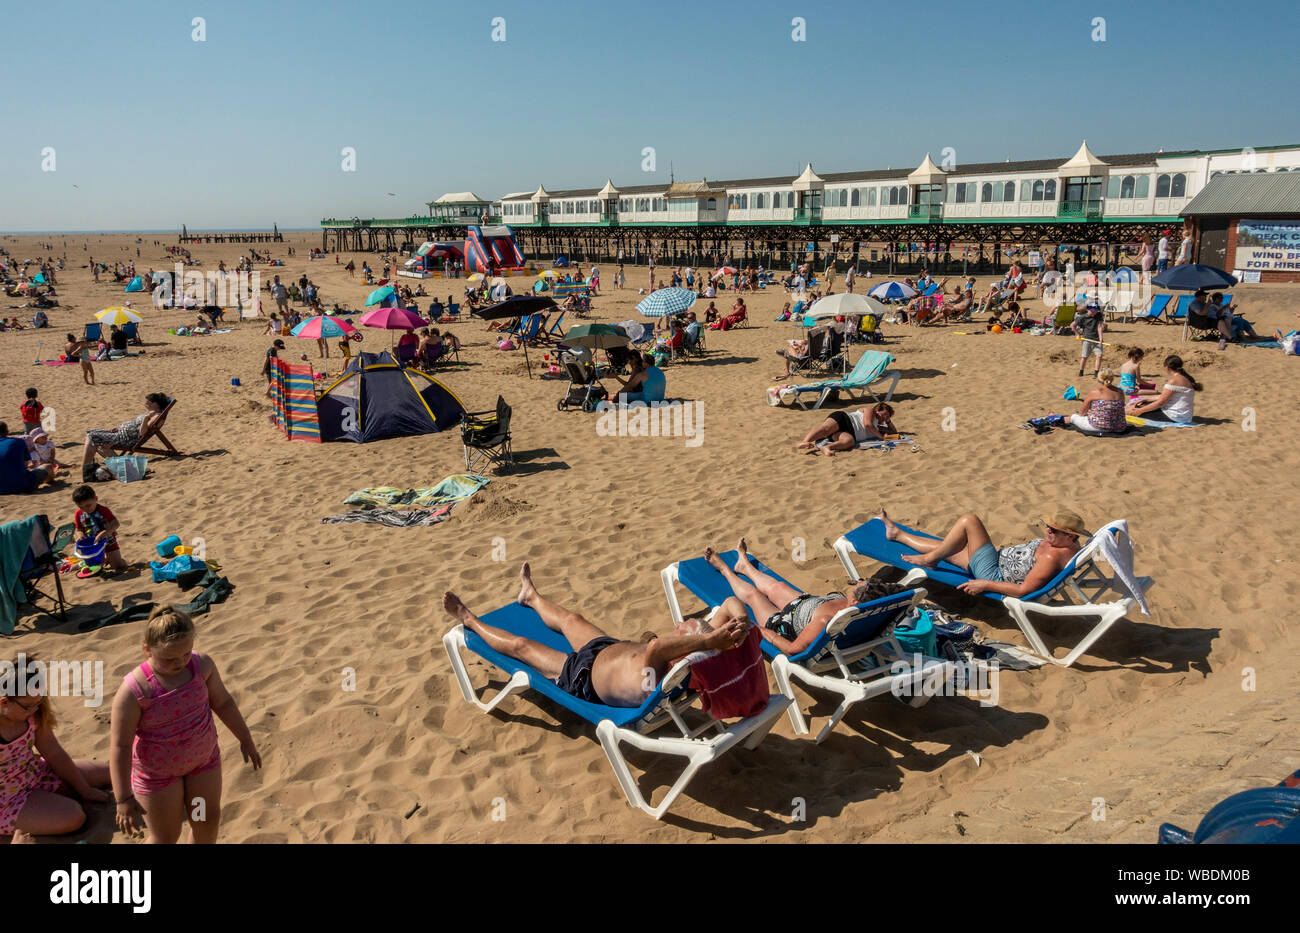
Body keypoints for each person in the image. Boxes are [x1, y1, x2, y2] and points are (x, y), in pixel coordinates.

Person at [442, 563, 749, 708]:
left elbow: (656, 646)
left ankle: (469, 619)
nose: (680, 624)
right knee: (571, 619)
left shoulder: (655, 677)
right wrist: (741, 618)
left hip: (582, 676)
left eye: (684, 629)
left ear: (687, 648)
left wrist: (708, 640)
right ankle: (531, 596)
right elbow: (728, 604)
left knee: (522, 646)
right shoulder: (693, 653)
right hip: (608, 648)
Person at [109, 607, 261, 844]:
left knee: (204, 820)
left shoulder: (201, 667)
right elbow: (120, 746)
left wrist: (245, 738)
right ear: (147, 649)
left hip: (201, 766)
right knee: (166, 837)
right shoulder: (135, 690)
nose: (179, 663)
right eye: (169, 659)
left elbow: (223, 703)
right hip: (158, 778)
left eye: (186, 654)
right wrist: (122, 799)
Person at [702, 540, 896, 656]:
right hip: (804, 605)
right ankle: (744, 566)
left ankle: (725, 570)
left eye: (860, 585)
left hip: (784, 624)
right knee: (778, 586)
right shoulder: (871, 610)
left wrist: (764, 633)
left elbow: (793, 649)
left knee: (754, 595)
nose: (859, 581)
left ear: (854, 602)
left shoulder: (826, 621)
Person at [1, 654, 110, 843]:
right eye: (28, 706)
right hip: (7, 800)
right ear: (4, 702)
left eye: (38, 703)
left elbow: (54, 754)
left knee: (107, 772)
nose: (34, 710)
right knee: (75, 817)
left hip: (34, 774)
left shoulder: (32, 716)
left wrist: (84, 789)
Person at [876, 507, 1086, 598]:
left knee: (970, 520)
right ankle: (897, 534)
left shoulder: (1051, 556)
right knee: (946, 548)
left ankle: (929, 560)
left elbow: (1023, 591)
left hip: (993, 574)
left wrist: (984, 584)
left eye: (1054, 530)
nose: (1047, 530)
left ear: (1070, 536)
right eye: (1047, 526)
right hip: (996, 562)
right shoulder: (1071, 546)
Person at [82, 393, 170, 479]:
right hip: (120, 434)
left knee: (92, 437)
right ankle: (94, 467)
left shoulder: (156, 416)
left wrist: (146, 418)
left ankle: (86, 472)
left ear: (154, 404)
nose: (145, 404)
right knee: (91, 433)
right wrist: (119, 428)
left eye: (147, 402)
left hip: (126, 439)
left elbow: (143, 432)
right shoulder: (151, 413)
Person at [796, 402, 897, 456]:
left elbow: (894, 432)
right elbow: (867, 424)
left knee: (849, 441)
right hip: (845, 419)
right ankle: (805, 442)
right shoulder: (870, 411)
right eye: (884, 414)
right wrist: (881, 437)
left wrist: (888, 421)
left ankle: (827, 447)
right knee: (825, 429)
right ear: (877, 410)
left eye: (887, 416)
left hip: (849, 432)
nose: (884, 418)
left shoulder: (877, 428)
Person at [1127, 354, 1201, 424]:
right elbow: (1163, 396)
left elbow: (1160, 403)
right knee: (1143, 403)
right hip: (1184, 416)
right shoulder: (1186, 379)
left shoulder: (1174, 381)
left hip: (1175, 417)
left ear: (1167, 367)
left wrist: (1139, 411)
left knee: (1137, 408)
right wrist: (1145, 399)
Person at [71, 483, 128, 572]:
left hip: (108, 541)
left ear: (96, 499)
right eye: (81, 507)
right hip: (92, 545)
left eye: (88, 505)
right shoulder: (79, 514)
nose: (86, 509)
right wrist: (80, 535)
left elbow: (116, 524)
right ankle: (83, 563)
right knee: (94, 567)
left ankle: (114, 559)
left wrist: (104, 533)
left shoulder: (103, 510)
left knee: (118, 566)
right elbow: (79, 529)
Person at [1068, 369, 1128, 434]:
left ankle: (1058, 419)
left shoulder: (1095, 392)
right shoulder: (1120, 392)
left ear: (1099, 379)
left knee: (1073, 417)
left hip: (1099, 427)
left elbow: (1082, 413)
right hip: (1120, 427)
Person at [0, 422, 50, 494]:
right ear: (7, 432)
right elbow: (25, 465)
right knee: (48, 467)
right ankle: (52, 483)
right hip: (21, 486)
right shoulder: (18, 442)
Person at [1072, 302, 1105, 377]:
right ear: (1088, 309)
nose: (1094, 312)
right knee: (1084, 356)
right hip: (1086, 339)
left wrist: (1101, 338)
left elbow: (1099, 327)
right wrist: (1077, 334)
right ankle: (1081, 371)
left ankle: (1096, 373)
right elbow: (1072, 325)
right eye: (1093, 311)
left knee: (1099, 355)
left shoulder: (1099, 315)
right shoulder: (1082, 317)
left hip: (1096, 339)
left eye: (1096, 310)